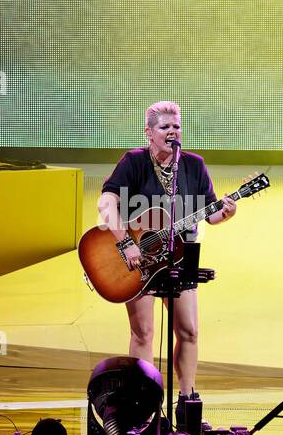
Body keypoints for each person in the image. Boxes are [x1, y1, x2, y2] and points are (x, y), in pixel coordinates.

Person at [97, 101, 236, 397]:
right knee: (144, 332)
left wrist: (226, 212)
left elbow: (208, 214)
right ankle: (142, 404)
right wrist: (125, 241)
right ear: (149, 132)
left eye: (176, 126)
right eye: (164, 127)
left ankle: (188, 400)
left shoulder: (193, 165)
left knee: (189, 331)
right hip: (139, 261)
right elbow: (106, 204)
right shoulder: (133, 162)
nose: (172, 132)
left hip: (179, 256)